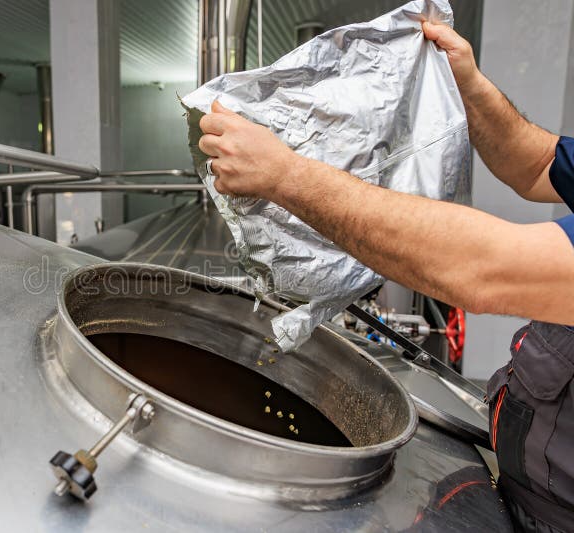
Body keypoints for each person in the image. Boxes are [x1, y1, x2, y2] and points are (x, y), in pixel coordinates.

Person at [197, 20, 574, 532]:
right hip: (525, 477)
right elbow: (537, 163)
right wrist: (470, 86)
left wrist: (286, 175)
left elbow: (486, 271)